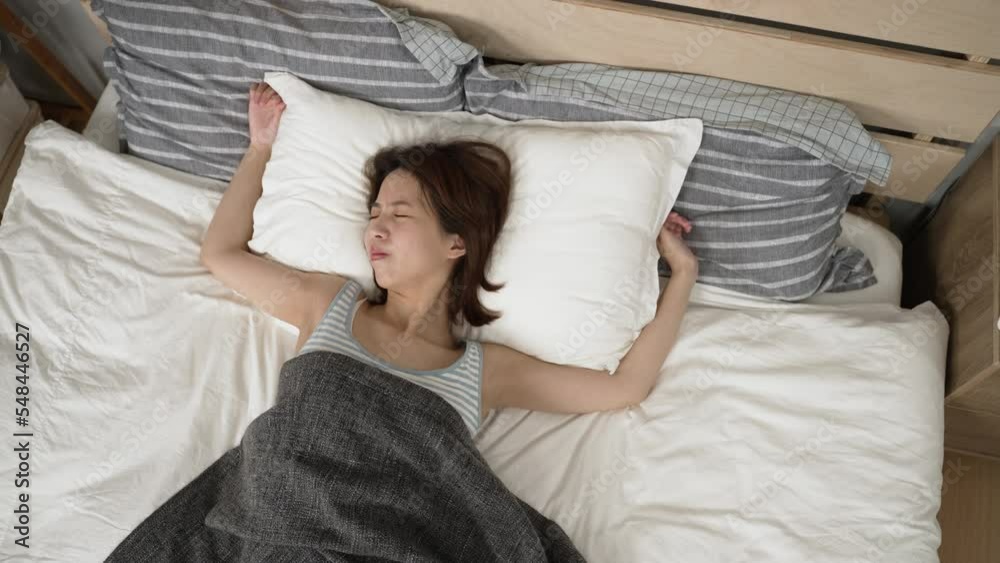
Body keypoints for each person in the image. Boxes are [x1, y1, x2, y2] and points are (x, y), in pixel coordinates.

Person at [200, 81, 699, 436]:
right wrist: (260, 150)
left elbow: (625, 387)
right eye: (374, 213)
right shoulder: (327, 304)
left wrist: (682, 273)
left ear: (456, 243)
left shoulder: (486, 372)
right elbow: (221, 253)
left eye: (400, 213)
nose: (375, 228)